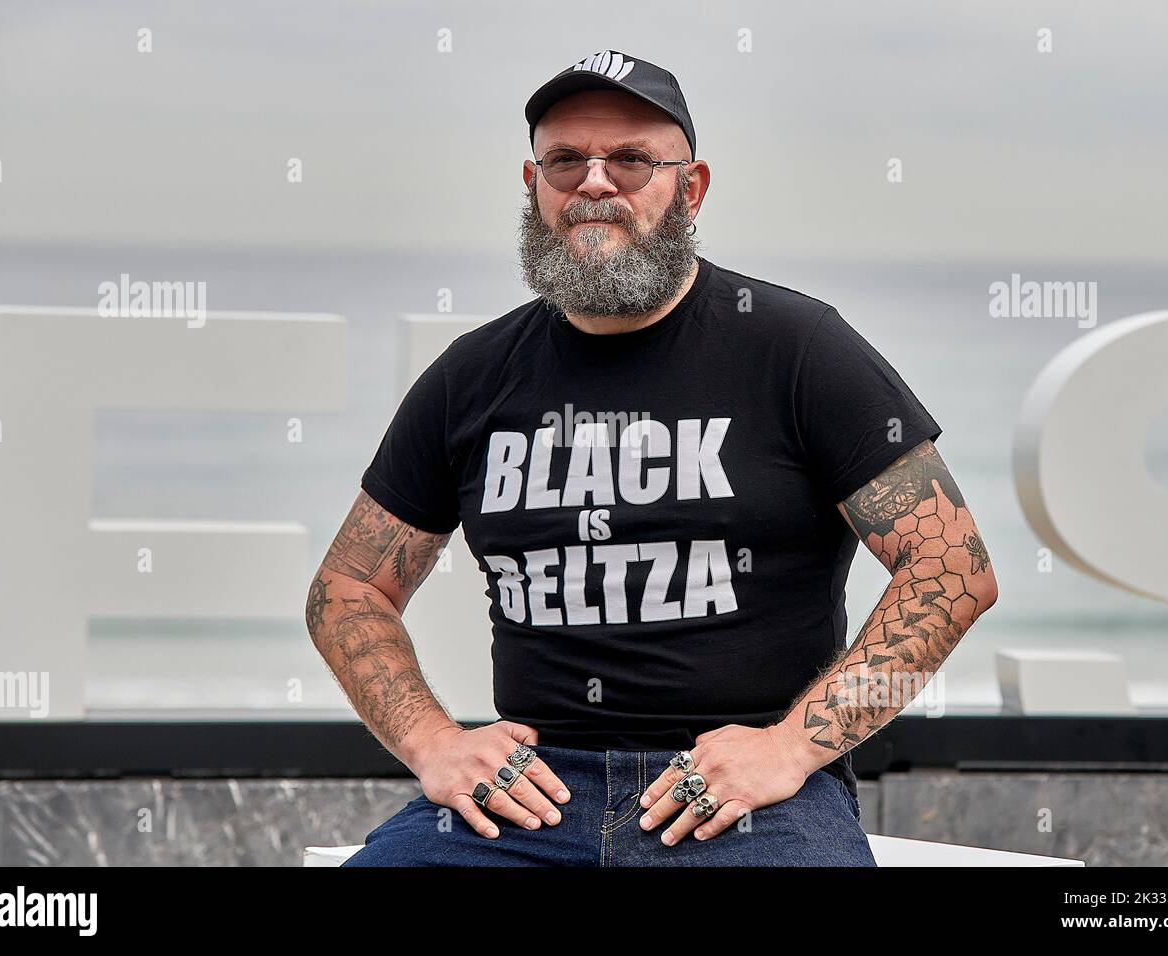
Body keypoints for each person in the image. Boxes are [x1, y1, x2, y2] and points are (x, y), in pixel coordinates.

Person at [308, 49, 998, 866]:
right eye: (565, 160)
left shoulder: (797, 348)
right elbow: (348, 588)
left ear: (692, 186)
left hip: (740, 795)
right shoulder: (473, 375)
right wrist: (432, 743)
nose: (594, 182)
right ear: (532, 184)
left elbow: (950, 568)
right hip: (530, 792)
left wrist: (788, 750)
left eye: (631, 160)